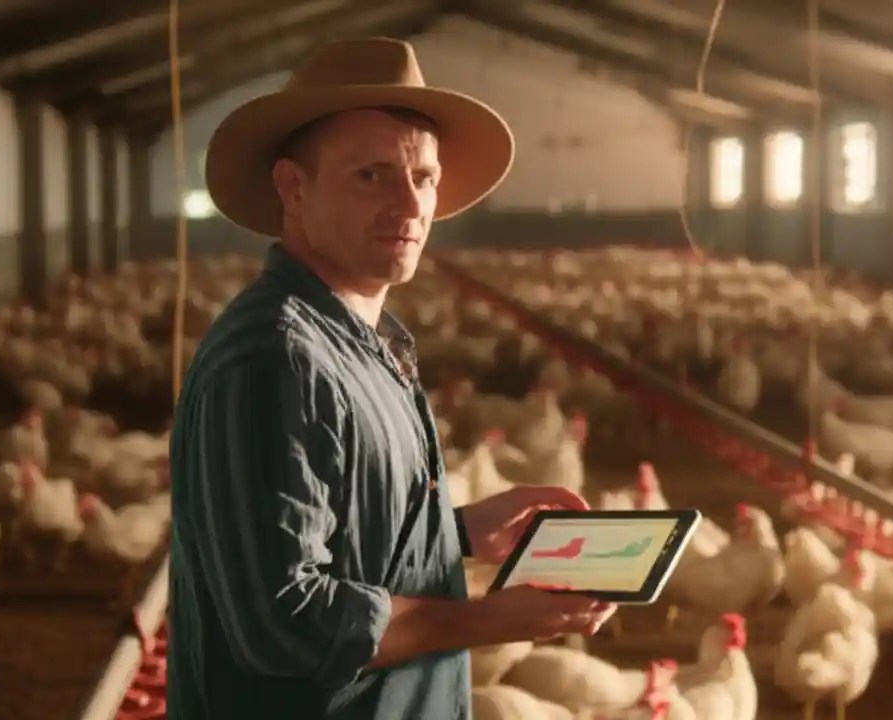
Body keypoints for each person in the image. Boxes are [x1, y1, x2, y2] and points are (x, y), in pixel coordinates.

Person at [167, 38, 616, 719]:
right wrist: (488, 620)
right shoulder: (275, 360)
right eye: (371, 176)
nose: (411, 206)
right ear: (294, 186)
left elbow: (336, 538)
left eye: (425, 178)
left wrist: (454, 535)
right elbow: (285, 625)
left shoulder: (360, 340)